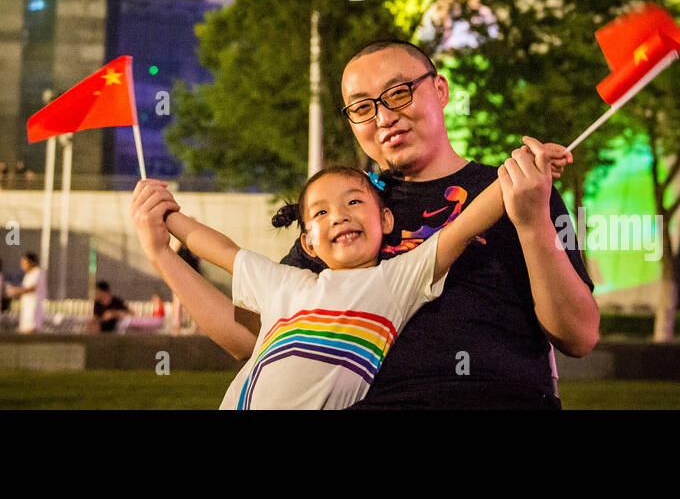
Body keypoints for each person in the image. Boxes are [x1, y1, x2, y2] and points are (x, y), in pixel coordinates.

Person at [131, 38, 599, 409]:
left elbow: (578, 336)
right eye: (362, 107)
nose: (385, 116)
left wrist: (533, 222)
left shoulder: (520, 188)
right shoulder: (348, 213)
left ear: (440, 90)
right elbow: (251, 339)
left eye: (399, 92)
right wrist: (162, 257)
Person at [148, 156, 526, 409]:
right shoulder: (285, 282)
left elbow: (462, 229)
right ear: (308, 242)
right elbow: (223, 249)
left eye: (354, 203)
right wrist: (164, 214)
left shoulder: (395, 281)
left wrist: (518, 172)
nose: (340, 217)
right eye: (322, 212)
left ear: (387, 220)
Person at [6, 253, 46, 333]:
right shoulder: (28, 275)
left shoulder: (38, 272)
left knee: (32, 329)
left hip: (34, 307)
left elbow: (32, 288)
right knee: (25, 329)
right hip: (26, 307)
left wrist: (15, 290)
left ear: (31, 262)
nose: (22, 265)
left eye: (24, 262)